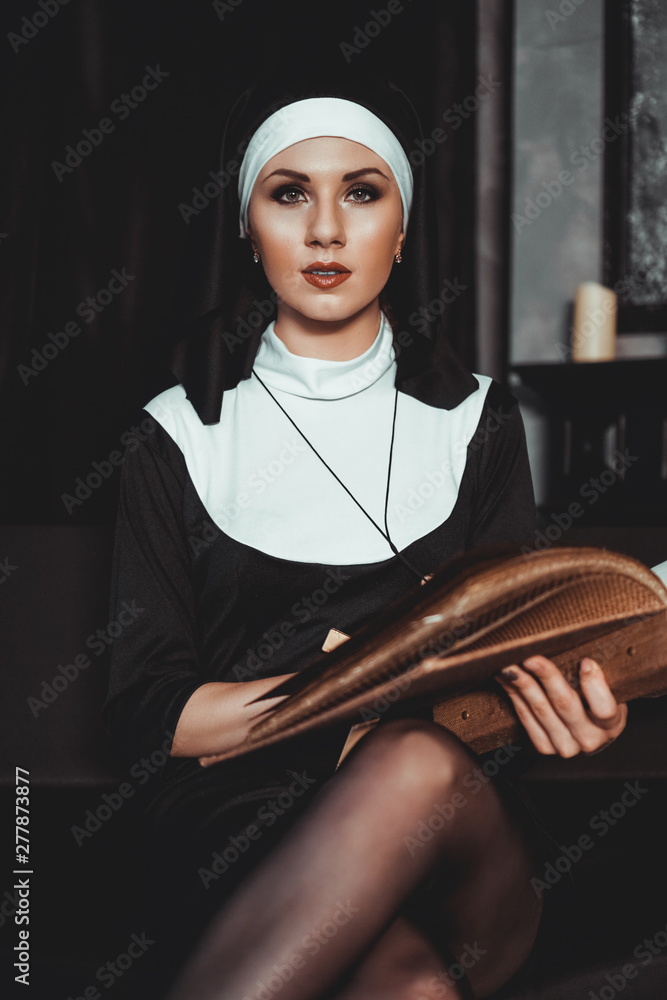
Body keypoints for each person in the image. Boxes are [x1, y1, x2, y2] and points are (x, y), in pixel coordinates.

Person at [103, 74, 628, 999]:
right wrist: (356, 699)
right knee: (413, 990)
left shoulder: (477, 422)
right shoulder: (176, 432)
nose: (325, 230)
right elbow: (153, 714)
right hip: (239, 829)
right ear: (246, 226)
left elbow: (510, 663)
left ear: (401, 225)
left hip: (456, 840)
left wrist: (583, 708)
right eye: (288, 193)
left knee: (414, 758)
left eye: (360, 191)